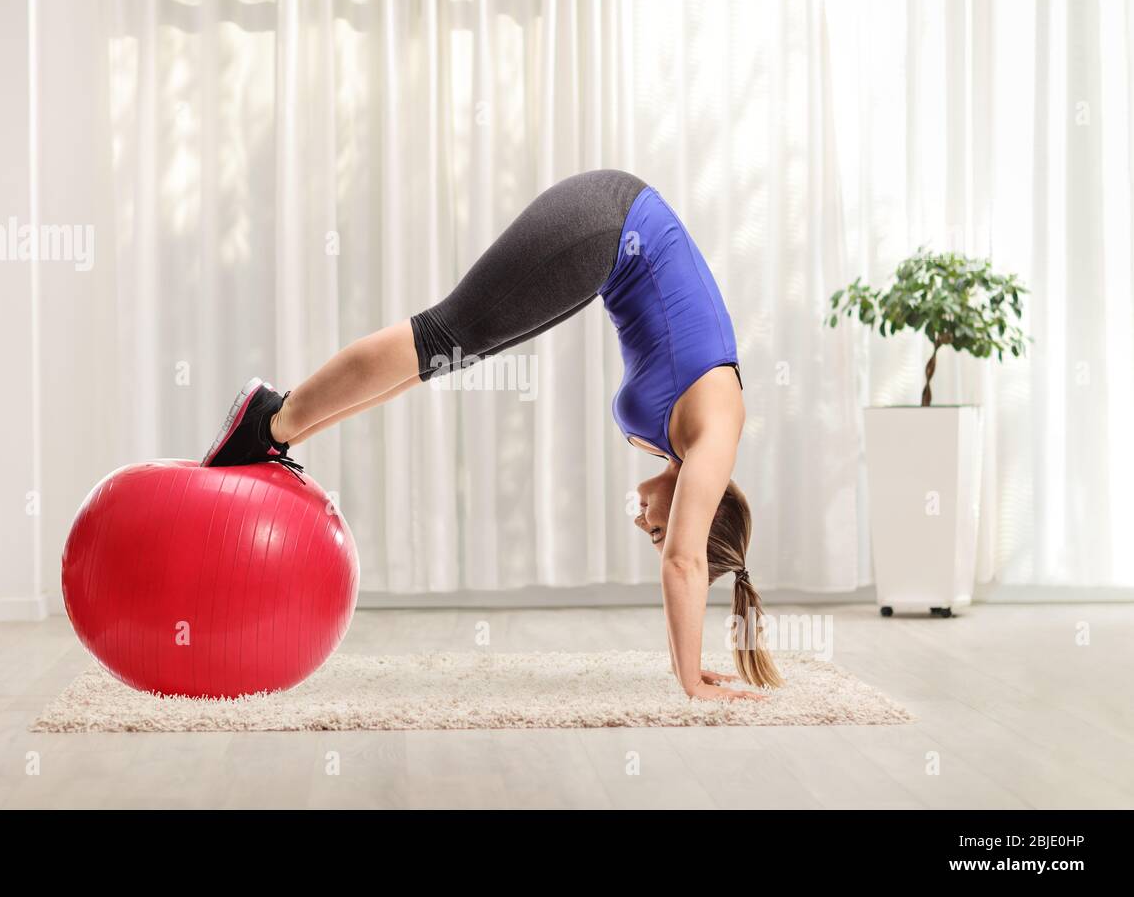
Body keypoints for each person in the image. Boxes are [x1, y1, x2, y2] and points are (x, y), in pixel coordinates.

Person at [202, 169, 781, 700]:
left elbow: (685, 548)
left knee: (444, 355)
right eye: (657, 528)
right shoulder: (719, 433)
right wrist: (689, 677)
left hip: (608, 248)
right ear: (696, 509)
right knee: (442, 332)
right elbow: (684, 563)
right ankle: (271, 416)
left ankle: (278, 434)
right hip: (612, 221)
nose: (642, 521)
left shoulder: (677, 445)